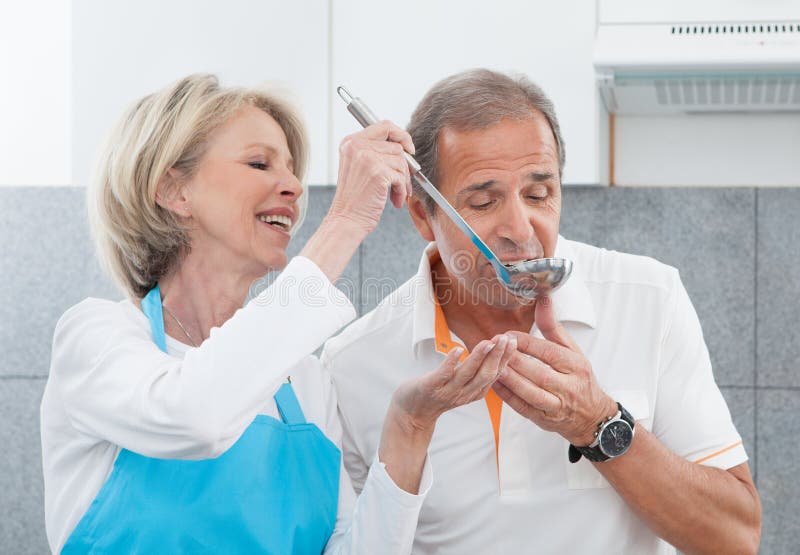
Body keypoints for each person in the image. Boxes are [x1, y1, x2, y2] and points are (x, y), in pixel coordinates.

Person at [40, 74, 515, 554]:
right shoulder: (98, 339)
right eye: (259, 163)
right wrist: (345, 221)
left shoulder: (305, 381)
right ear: (173, 191)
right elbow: (195, 416)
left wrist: (409, 427)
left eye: (291, 171)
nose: (292, 187)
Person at [322, 68, 762, 554]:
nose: (520, 228)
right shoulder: (351, 365)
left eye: (538, 194)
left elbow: (735, 538)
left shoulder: (650, 298)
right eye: (484, 201)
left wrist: (597, 423)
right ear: (424, 215)